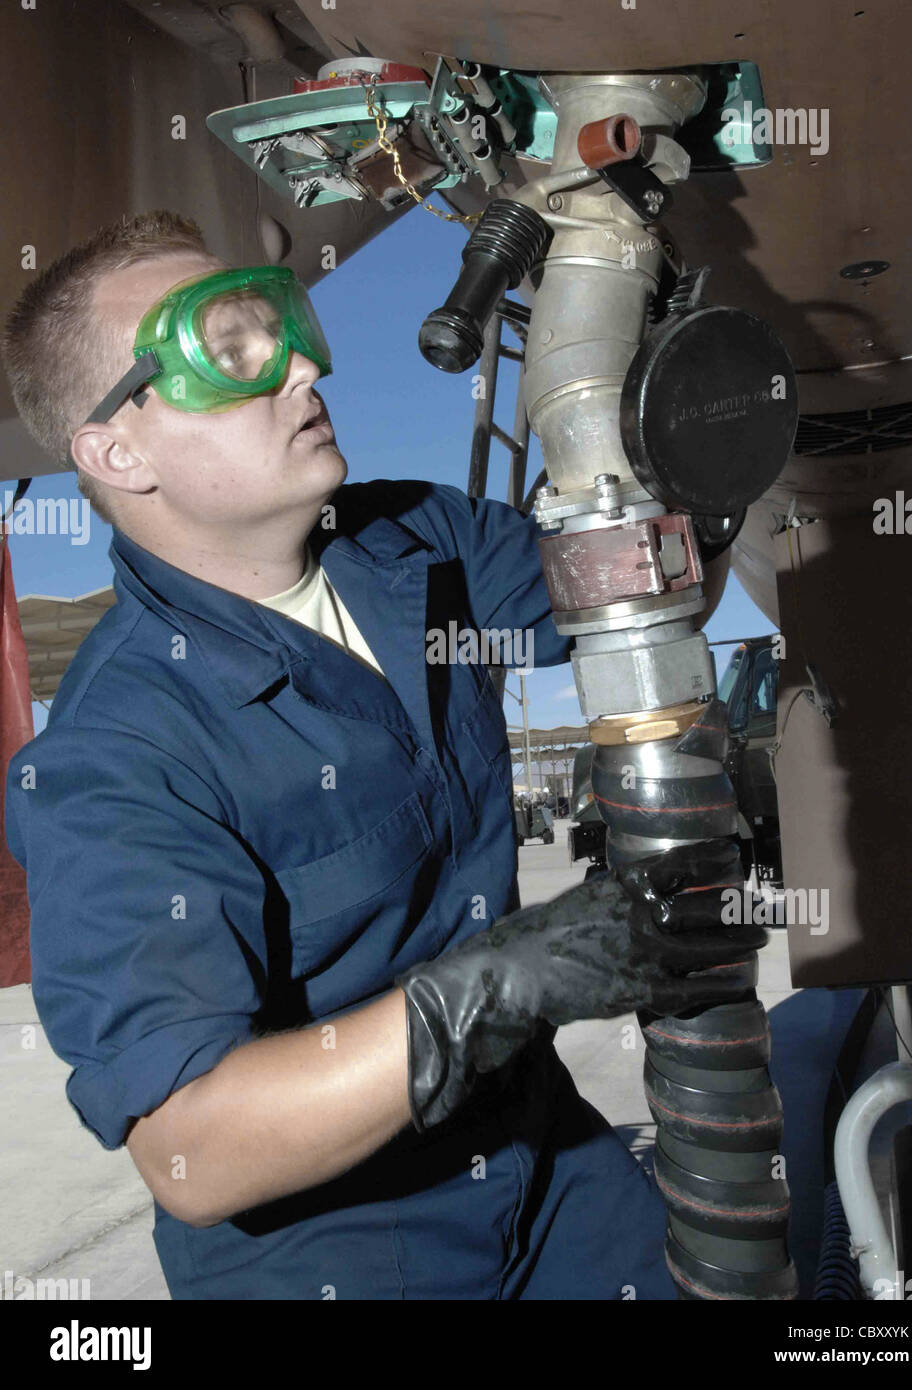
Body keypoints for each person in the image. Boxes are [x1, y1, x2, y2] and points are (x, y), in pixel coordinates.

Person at [1, 210, 764, 1300]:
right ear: (116, 449)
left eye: (286, 327)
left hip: (543, 1169)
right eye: (229, 352)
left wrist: (699, 439)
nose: (304, 365)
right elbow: (193, 1151)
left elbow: (648, 584)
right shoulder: (117, 756)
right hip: (334, 1249)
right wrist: (497, 987)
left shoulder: (415, 542)